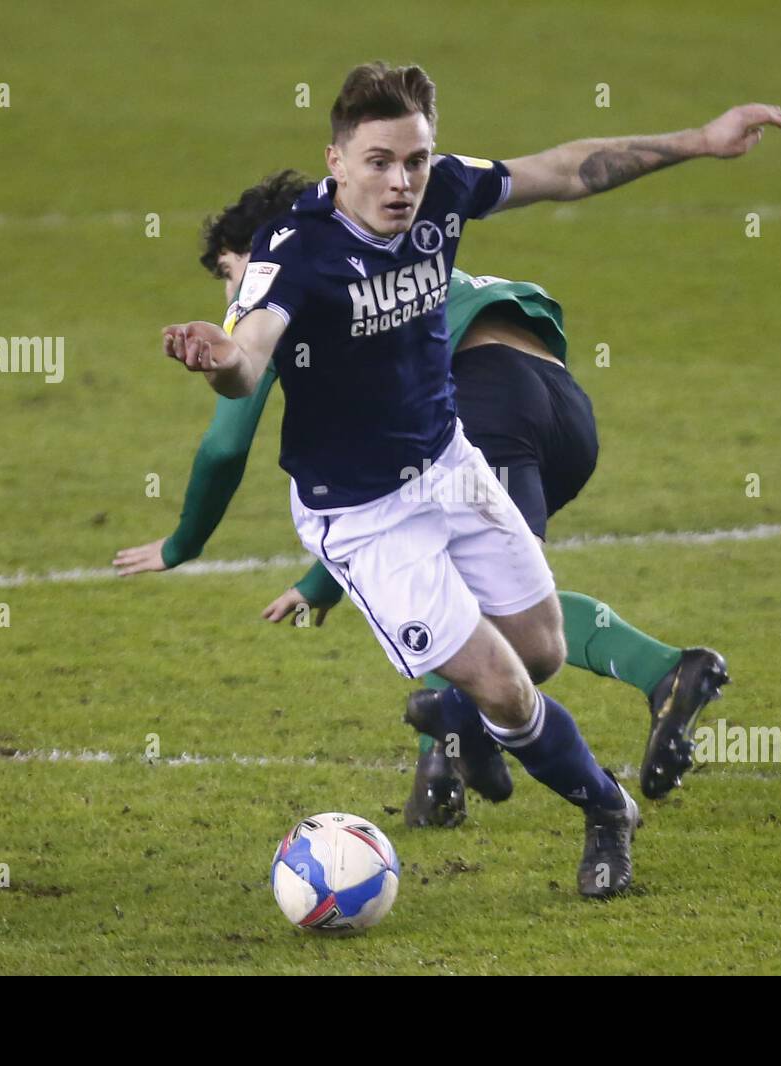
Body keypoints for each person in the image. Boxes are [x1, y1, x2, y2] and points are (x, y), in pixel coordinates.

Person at [159, 61, 781, 897]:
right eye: (380, 161)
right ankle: (608, 812)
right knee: (501, 681)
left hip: (451, 466)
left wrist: (701, 142)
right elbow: (250, 362)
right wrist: (220, 357)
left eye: (415, 159)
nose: (402, 181)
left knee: (541, 652)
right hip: (362, 515)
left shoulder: (448, 191)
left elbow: (567, 169)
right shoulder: (294, 248)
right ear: (336, 160)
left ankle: (461, 722)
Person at [116, 172, 729, 831]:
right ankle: (440, 775)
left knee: (481, 617)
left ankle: (656, 676)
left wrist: (183, 543)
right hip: (558, 408)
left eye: (229, 272)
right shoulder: (393, 250)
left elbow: (226, 448)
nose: (231, 293)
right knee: (483, 595)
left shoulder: (286, 286)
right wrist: (322, 585)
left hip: (478, 408)